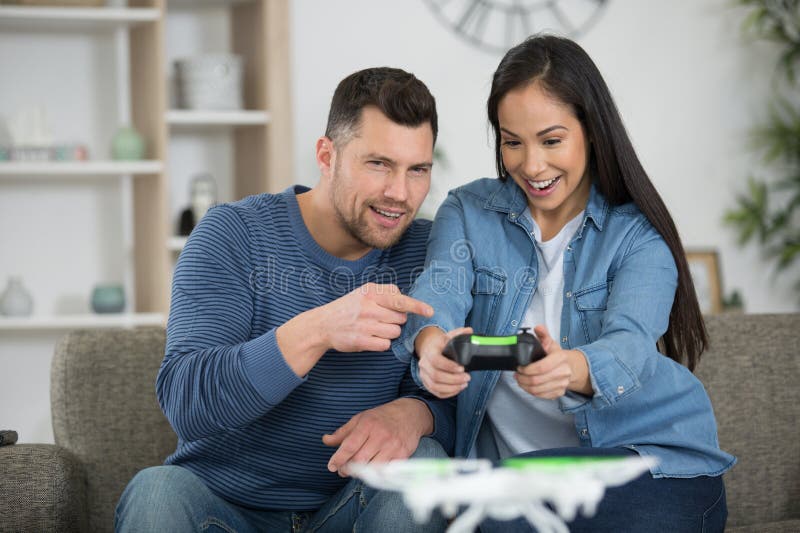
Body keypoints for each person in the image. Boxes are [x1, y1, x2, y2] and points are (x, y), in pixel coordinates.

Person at [393, 35, 736, 532]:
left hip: (654, 469)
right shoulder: (468, 212)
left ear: (591, 132)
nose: (532, 166)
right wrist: (432, 347)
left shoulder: (638, 237)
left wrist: (569, 369)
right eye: (513, 142)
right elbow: (437, 292)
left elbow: (629, 347)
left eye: (552, 140)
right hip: (518, 483)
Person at [115, 67, 452, 533]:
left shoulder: (432, 252)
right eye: (379, 164)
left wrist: (416, 414)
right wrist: (317, 331)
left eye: (418, 170)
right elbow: (186, 402)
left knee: (426, 462)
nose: (400, 193)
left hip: (354, 509)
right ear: (326, 156)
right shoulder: (231, 235)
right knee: (156, 491)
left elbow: (471, 407)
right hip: (226, 513)